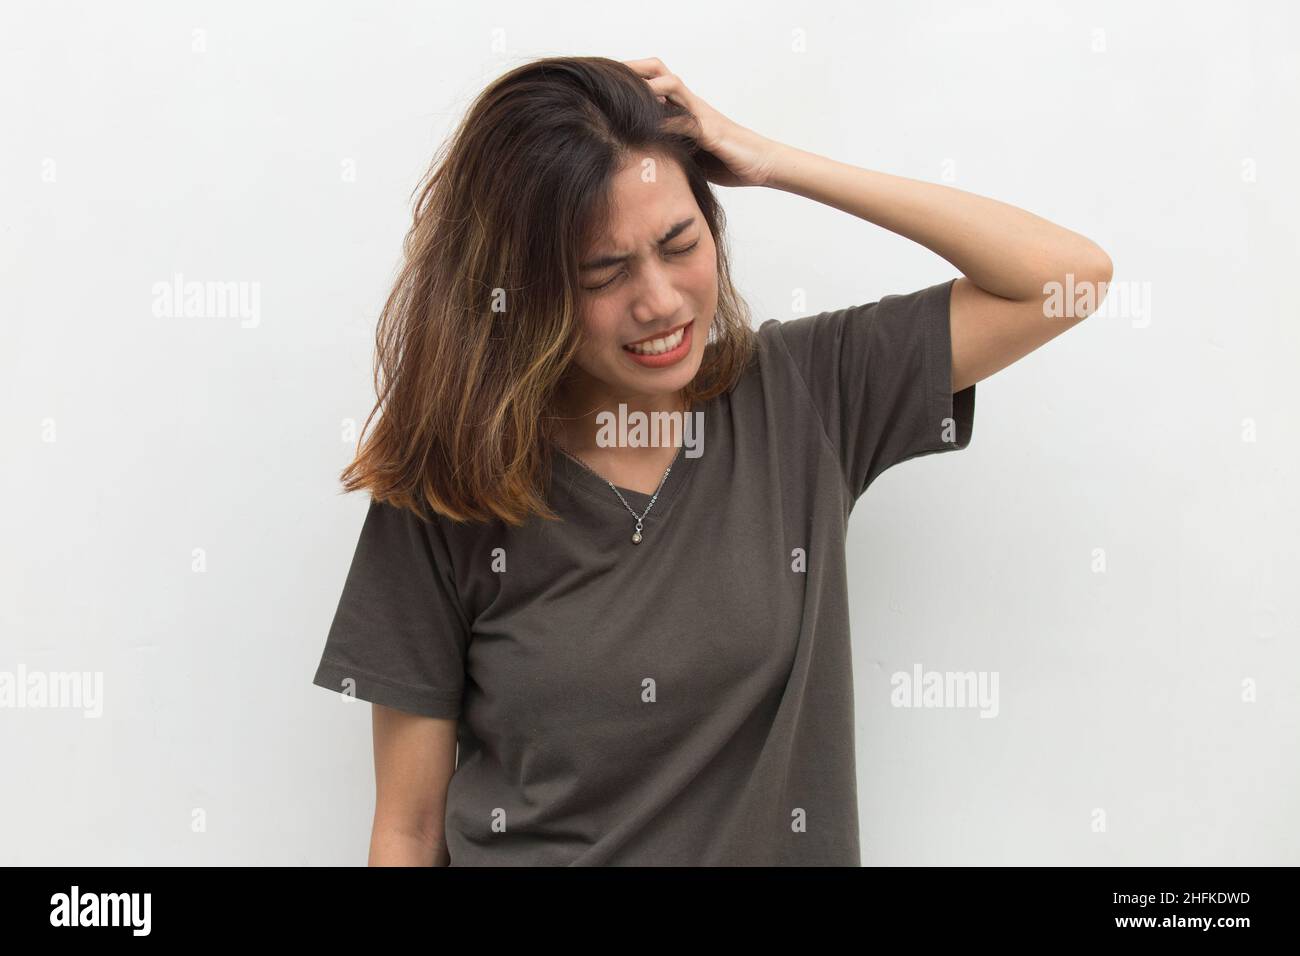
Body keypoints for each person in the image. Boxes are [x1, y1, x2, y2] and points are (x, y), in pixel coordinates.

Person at [312, 55, 1113, 866]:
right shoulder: (449, 484)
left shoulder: (809, 395)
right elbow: (407, 833)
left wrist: (774, 160)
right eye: (604, 272)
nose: (659, 300)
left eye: (678, 242)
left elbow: (1065, 279)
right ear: (523, 292)